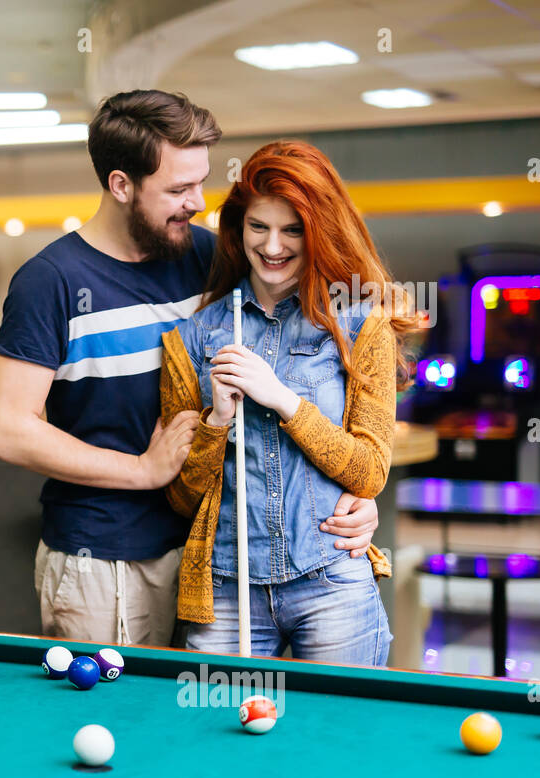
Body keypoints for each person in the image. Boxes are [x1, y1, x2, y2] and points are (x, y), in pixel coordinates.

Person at [0, 90, 381, 648]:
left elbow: (310, 362)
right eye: (177, 189)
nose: (198, 202)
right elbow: (6, 428)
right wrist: (142, 471)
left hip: (213, 558)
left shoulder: (207, 257)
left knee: (201, 727)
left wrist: (358, 497)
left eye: (200, 182)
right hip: (109, 560)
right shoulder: (48, 281)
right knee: (120, 728)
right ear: (121, 185)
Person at [160, 140, 416, 665]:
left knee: (339, 739)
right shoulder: (195, 336)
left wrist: (281, 399)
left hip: (332, 581)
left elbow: (368, 472)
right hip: (227, 590)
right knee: (217, 739)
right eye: (259, 227)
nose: (272, 245)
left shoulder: (361, 323)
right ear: (237, 229)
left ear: (318, 229)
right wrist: (217, 420)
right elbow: (182, 499)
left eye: (292, 229)